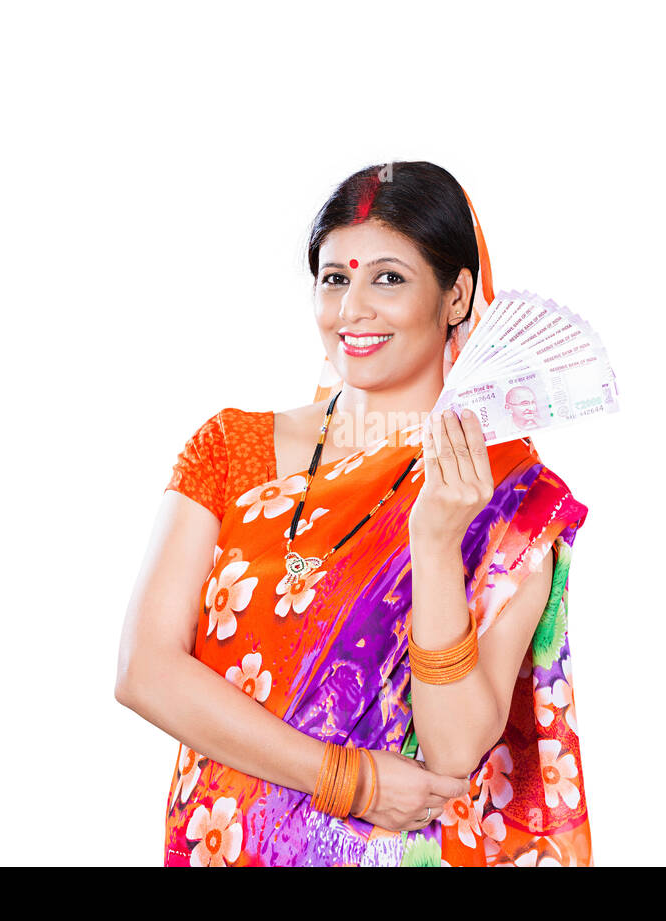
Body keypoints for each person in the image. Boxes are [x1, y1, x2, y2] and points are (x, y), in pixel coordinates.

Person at [116, 161, 592, 866]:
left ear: (456, 295)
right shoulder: (229, 447)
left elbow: (456, 746)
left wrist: (433, 545)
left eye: (388, 279)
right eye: (334, 277)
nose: (352, 309)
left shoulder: (508, 495)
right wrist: (348, 779)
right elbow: (145, 671)